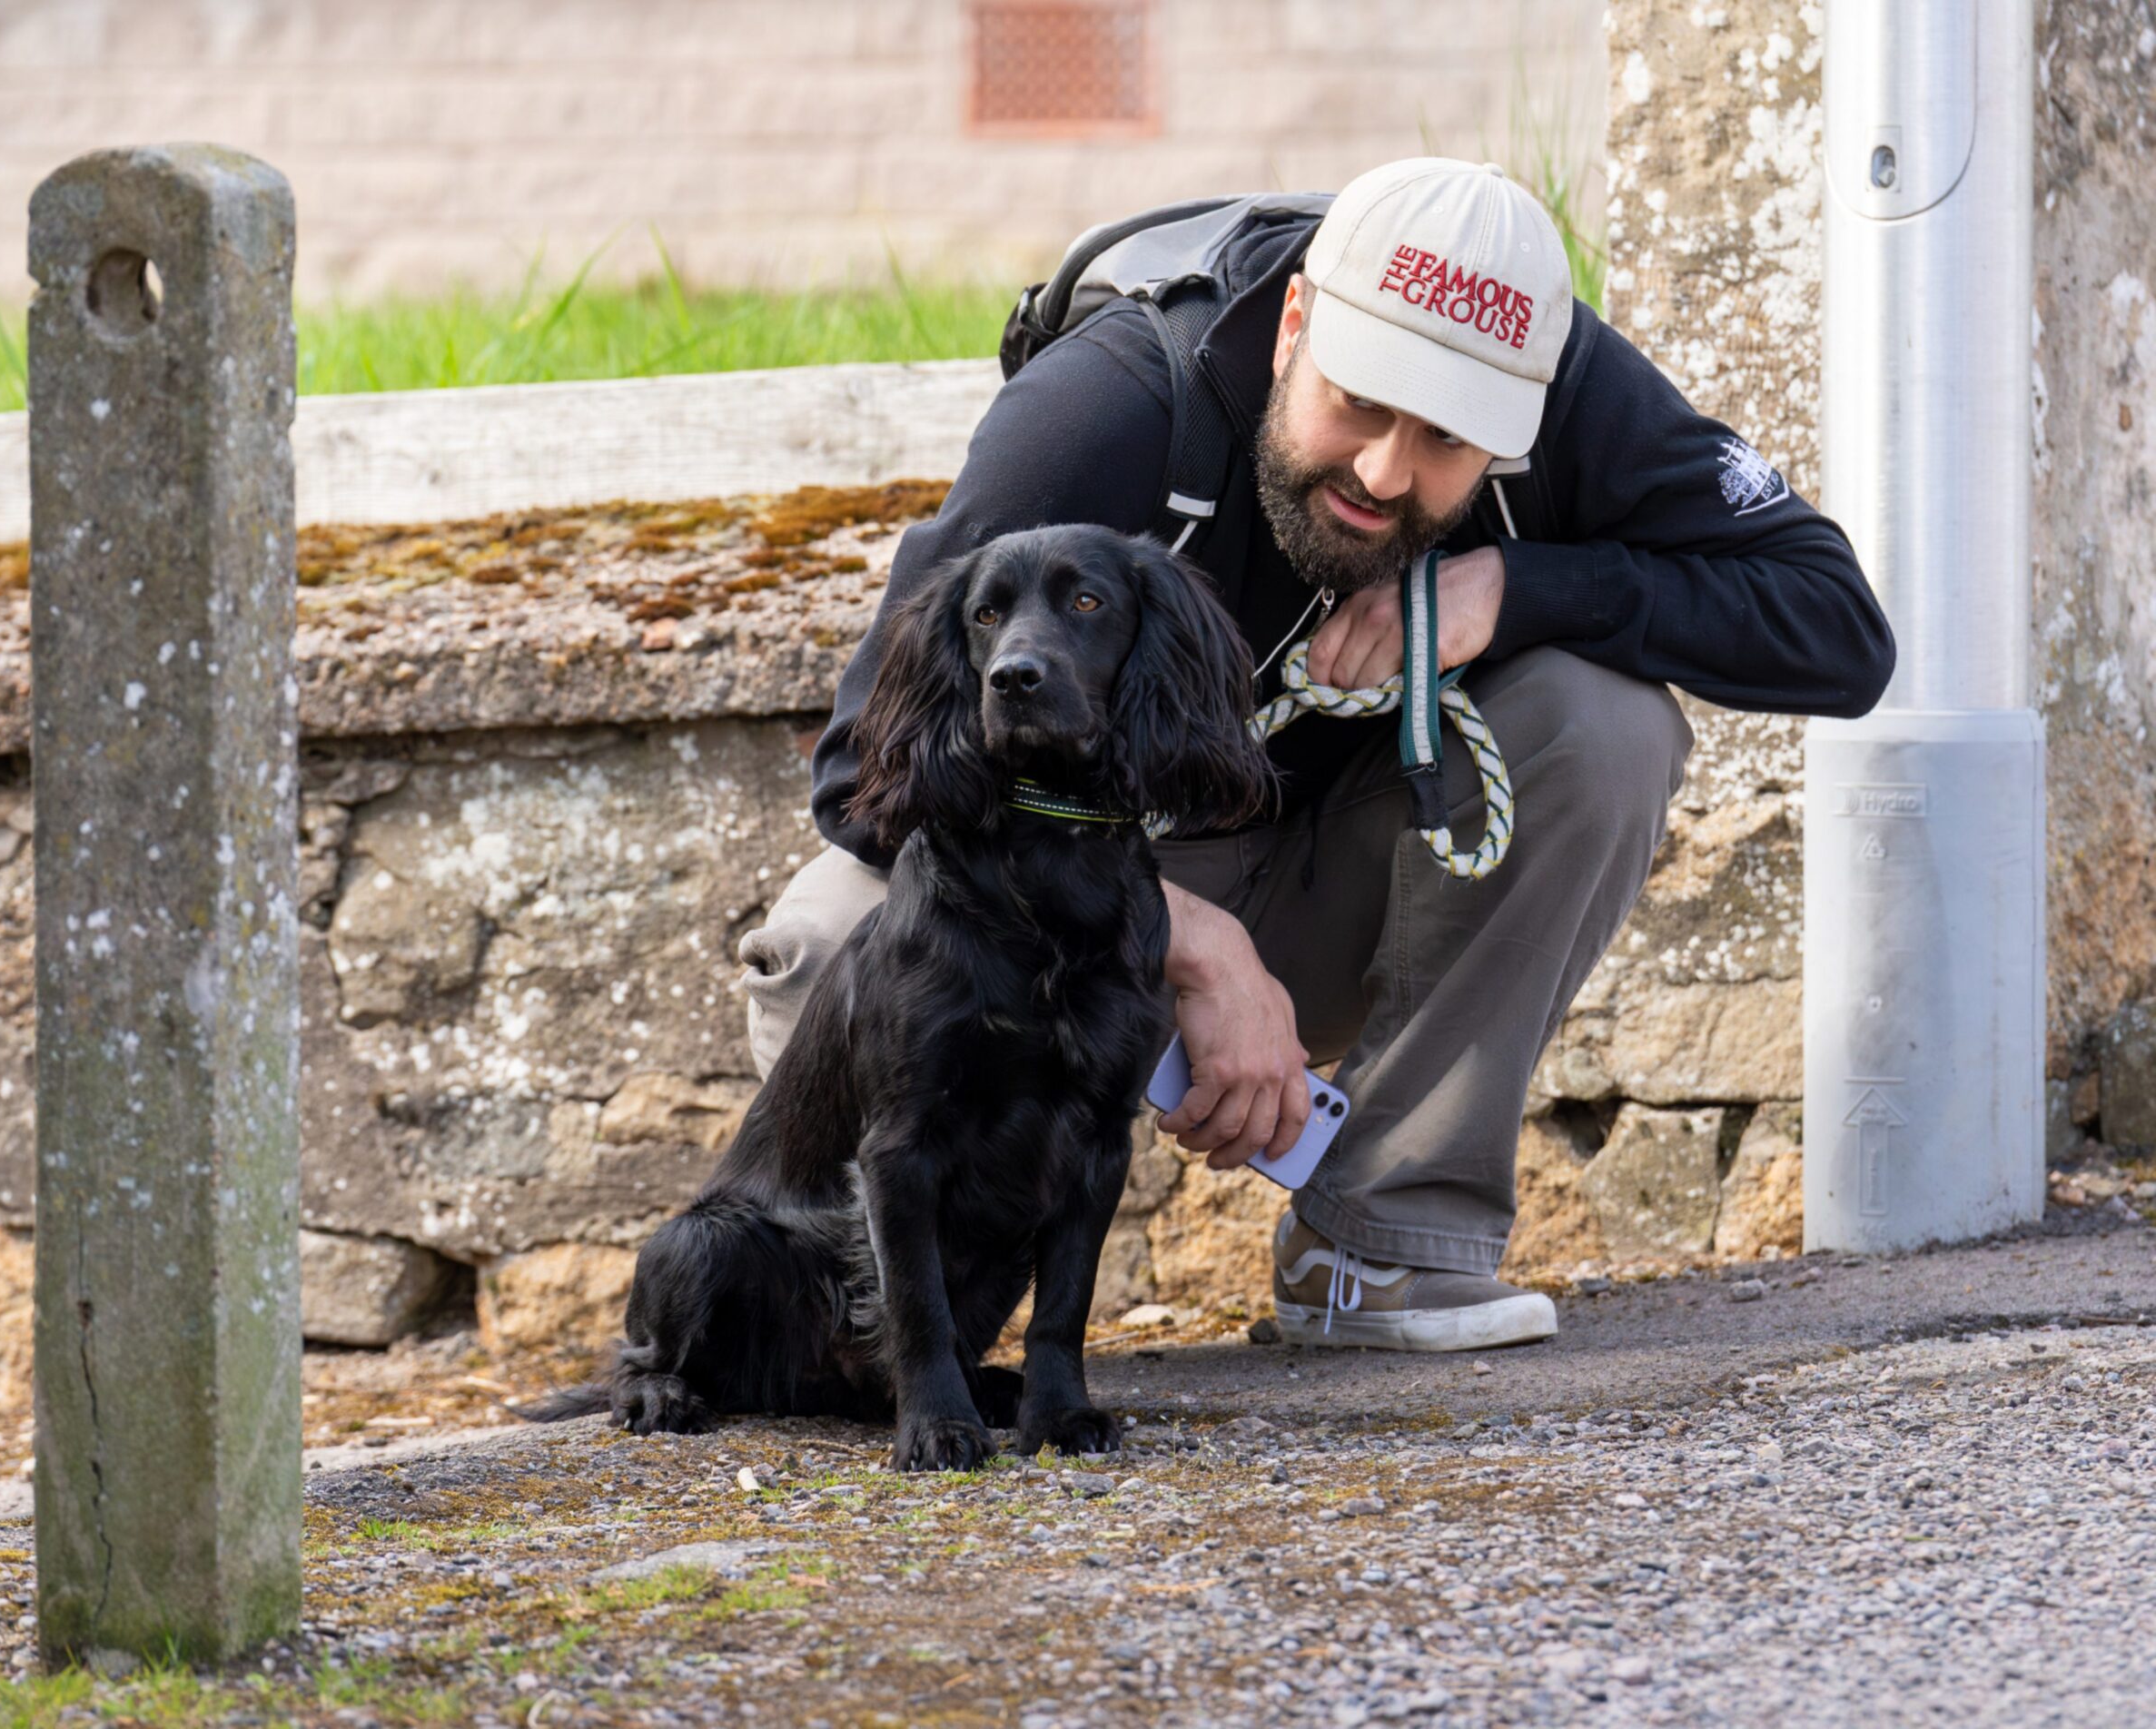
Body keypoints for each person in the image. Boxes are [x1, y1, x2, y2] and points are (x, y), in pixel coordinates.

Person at [736, 158, 1894, 1351]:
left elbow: (1840, 630)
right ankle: (869, 1332)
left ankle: (1381, 1248)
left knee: (1610, 723)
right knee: (829, 942)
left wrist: (1515, 587)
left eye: (1448, 438)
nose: (1386, 472)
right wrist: (1186, 941)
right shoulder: (1105, 410)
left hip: (1356, 886)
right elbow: (862, 780)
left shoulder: (1567, 383)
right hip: (1075, 906)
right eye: (1362, 402)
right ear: (1295, 323)